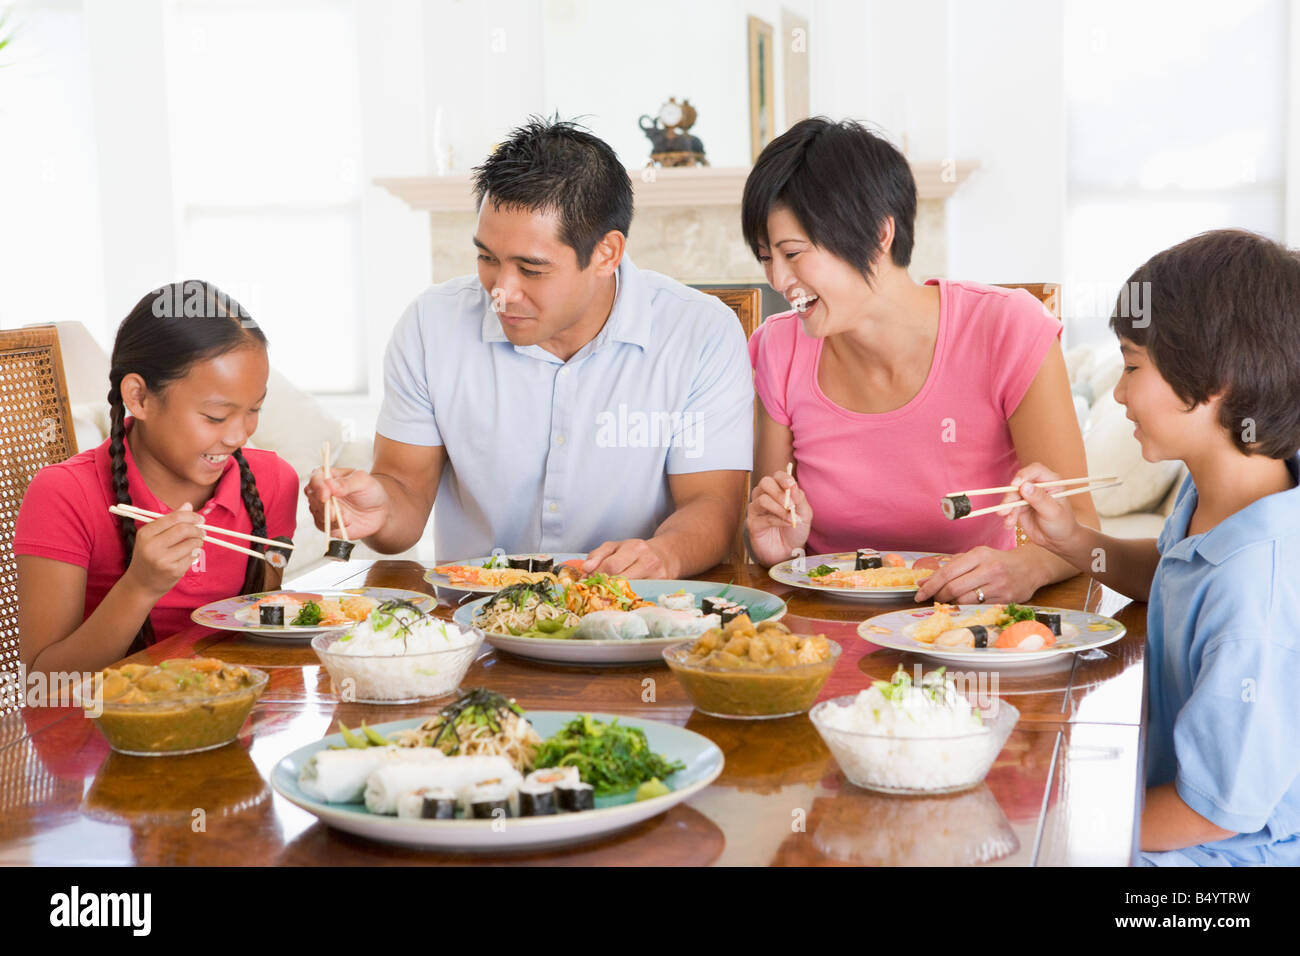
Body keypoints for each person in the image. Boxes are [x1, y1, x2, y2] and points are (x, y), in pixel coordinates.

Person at [306, 118, 753, 578]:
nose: (502, 290)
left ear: (606, 254)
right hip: (473, 620)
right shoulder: (430, 325)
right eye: (487, 258)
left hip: (637, 617)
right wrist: (378, 510)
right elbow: (403, 495)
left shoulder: (701, 332)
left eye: (531, 269)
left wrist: (666, 554)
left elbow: (713, 505)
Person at [1011, 230, 1300, 865]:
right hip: (1179, 812)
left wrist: (1067, 818)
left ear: (1216, 379)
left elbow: (1212, 812)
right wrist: (1073, 539)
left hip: (1224, 857)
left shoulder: (1258, 589)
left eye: (1133, 365)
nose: (1118, 392)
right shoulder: (1222, 492)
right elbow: (1169, 570)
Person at [741, 118, 1098, 603]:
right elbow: (772, 536)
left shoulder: (1007, 329)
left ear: (878, 233)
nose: (779, 280)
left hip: (961, 628)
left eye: (792, 253)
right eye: (766, 258)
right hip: (823, 629)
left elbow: (1079, 530)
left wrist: (1027, 568)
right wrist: (778, 549)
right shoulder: (777, 348)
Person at [15, 281, 298, 674]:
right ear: (139, 397)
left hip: (236, 713)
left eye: (254, 410)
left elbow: (262, 631)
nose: (238, 436)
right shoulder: (64, 494)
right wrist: (140, 586)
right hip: (112, 726)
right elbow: (44, 682)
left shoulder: (274, 481)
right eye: (215, 416)